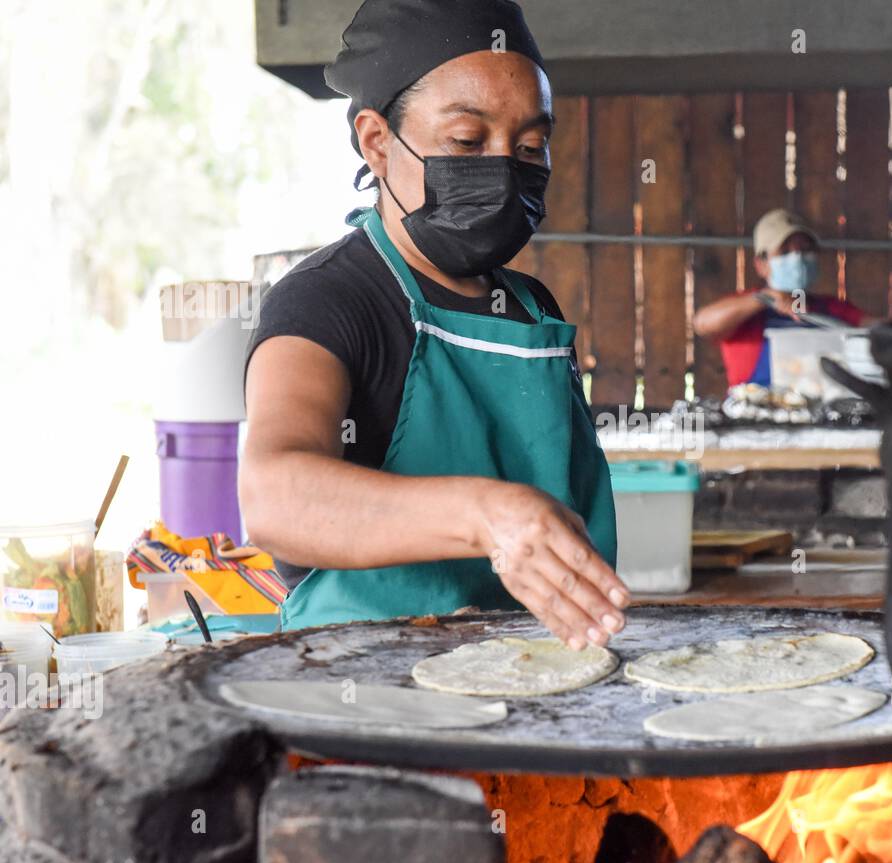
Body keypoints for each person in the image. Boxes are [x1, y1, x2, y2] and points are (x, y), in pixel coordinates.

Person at [240, 0, 628, 647]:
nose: (505, 168)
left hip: (538, 679)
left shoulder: (535, 312)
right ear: (377, 141)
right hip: (362, 690)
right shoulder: (325, 301)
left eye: (531, 145)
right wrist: (485, 515)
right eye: (467, 142)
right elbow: (275, 497)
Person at [693, 209, 872, 387]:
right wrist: (767, 298)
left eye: (805, 249)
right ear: (761, 265)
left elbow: (876, 328)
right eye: (784, 251)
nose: (797, 258)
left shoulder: (832, 309)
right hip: (757, 410)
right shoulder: (746, 310)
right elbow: (703, 324)